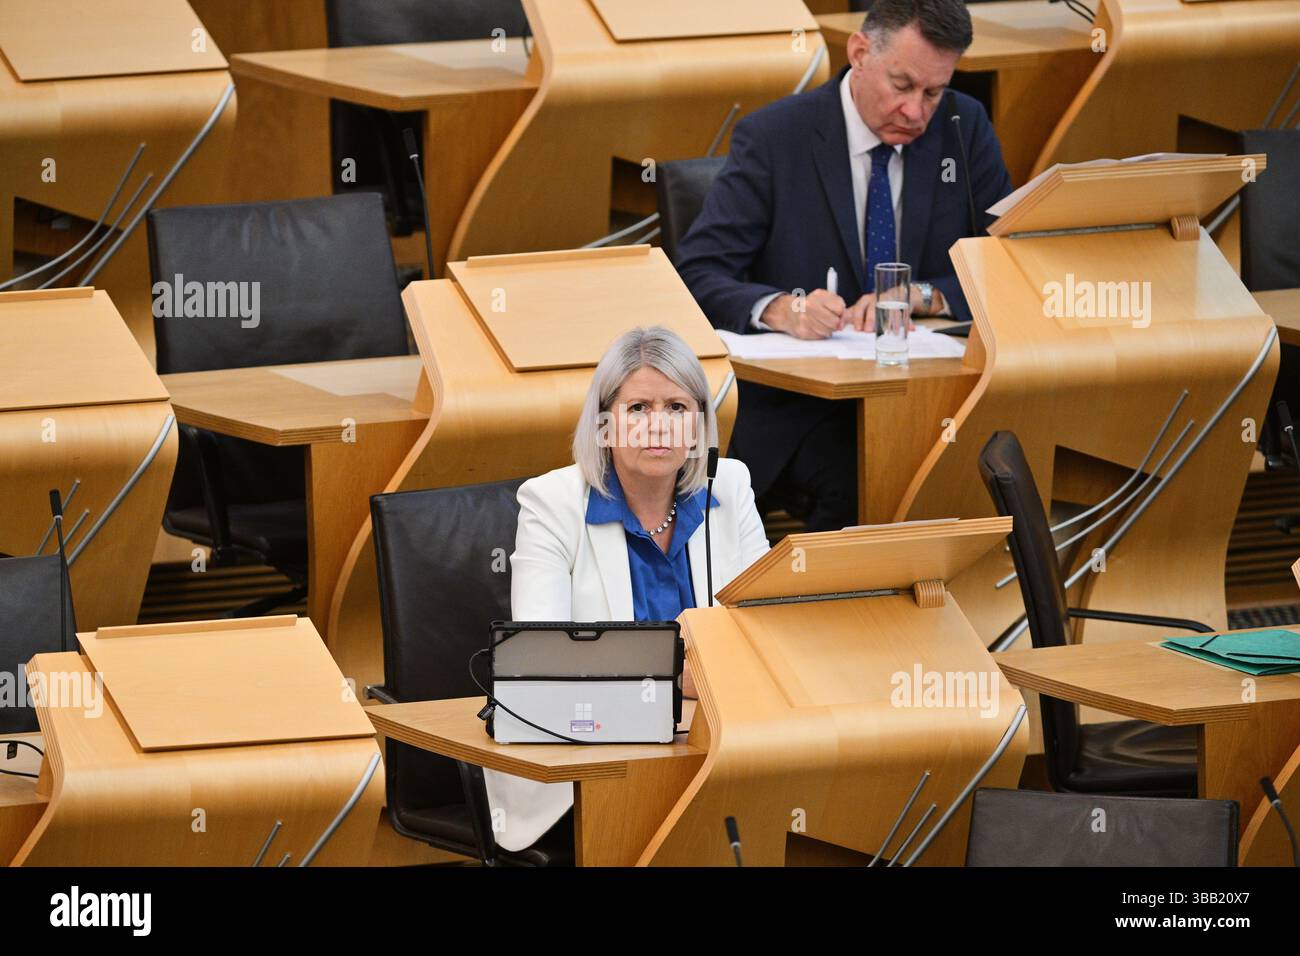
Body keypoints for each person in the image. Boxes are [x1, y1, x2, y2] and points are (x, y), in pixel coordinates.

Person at [675, 0, 1013, 532]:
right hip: (807, 410)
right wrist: (780, 309)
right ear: (859, 53)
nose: (916, 112)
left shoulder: (962, 127)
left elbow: (1005, 264)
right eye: (902, 86)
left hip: (930, 395)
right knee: (872, 479)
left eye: (933, 91)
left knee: (989, 461)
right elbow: (695, 274)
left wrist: (923, 297)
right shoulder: (775, 137)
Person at [486, 325, 771, 853]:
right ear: (603, 426)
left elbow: (764, 634)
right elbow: (544, 664)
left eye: (678, 407)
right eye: (637, 408)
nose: (657, 426)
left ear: (699, 426)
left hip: (714, 749)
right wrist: (681, 679)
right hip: (584, 769)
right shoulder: (552, 504)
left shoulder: (728, 486)